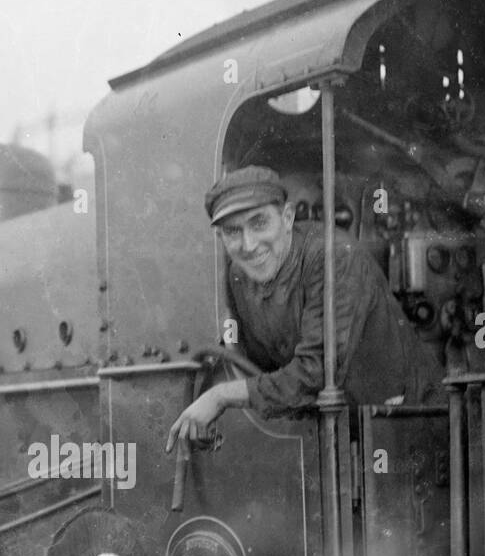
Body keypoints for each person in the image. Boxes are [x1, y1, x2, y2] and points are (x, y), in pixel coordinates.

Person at [166, 165, 439, 451]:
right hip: (340, 434)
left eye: (259, 223)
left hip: (411, 426)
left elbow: (318, 373)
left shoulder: (334, 257)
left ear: (287, 217)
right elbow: (262, 368)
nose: (248, 244)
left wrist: (220, 395)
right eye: (232, 231)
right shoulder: (238, 276)